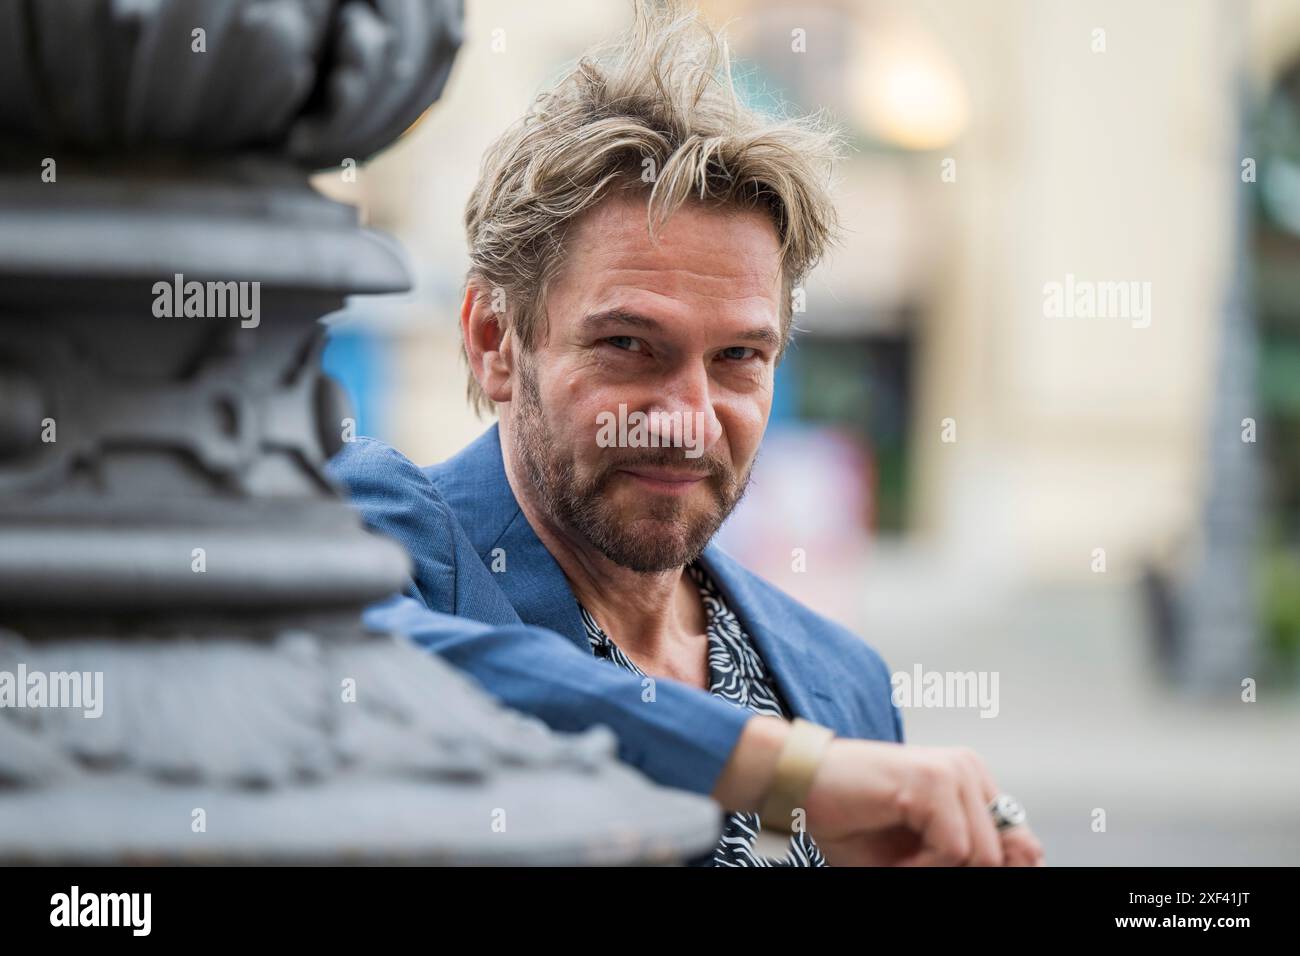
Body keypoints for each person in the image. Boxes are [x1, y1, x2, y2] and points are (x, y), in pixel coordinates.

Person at [330, 0, 1044, 867]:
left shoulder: (842, 679)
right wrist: (782, 774)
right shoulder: (387, 538)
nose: (688, 419)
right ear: (494, 340)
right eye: (629, 345)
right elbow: (356, 653)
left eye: (740, 355)